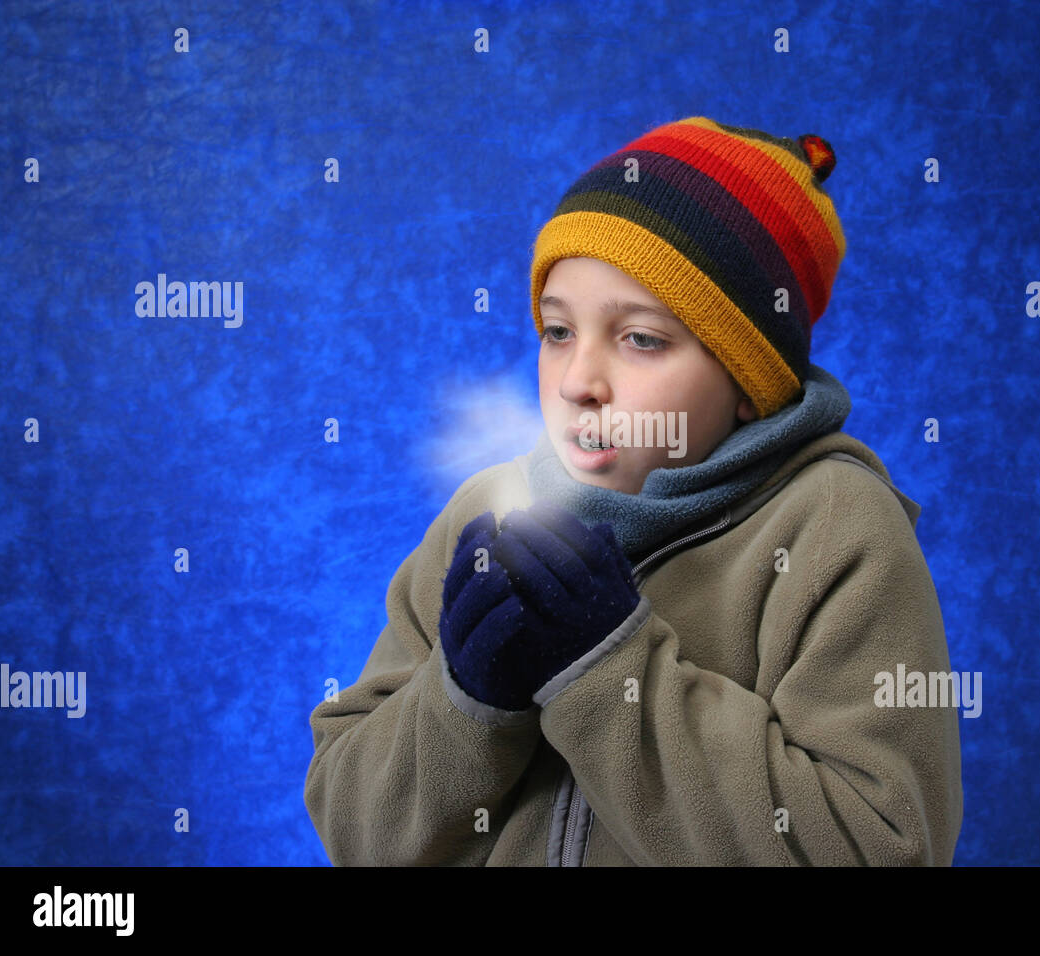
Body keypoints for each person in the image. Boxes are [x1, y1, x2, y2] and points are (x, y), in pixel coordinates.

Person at [303, 115, 963, 865]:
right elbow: (354, 831)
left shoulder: (837, 532)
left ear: (748, 381)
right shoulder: (487, 511)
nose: (580, 382)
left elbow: (879, 850)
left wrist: (610, 669)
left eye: (642, 339)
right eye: (558, 332)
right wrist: (465, 700)